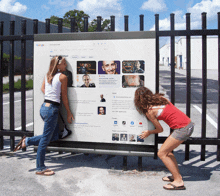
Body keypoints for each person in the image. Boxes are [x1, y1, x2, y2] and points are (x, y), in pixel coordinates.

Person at [14, 56, 74, 176]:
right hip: (52, 110)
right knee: (45, 140)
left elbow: (43, 88)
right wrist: (69, 112)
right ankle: (40, 168)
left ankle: (28, 140)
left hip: (44, 108)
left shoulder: (48, 75)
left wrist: (51, 94)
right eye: (64, 64)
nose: (66, 66)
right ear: (58, 65)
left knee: (54, 135)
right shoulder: (63, 77)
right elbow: (64, 97)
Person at [134, 87, 194, 190]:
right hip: (187, 124)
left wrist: (149, 132)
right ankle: (176, 176)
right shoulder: (161, 99)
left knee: (161, 153)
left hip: (182, 128)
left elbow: (159, 129)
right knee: (168, 152)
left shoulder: (150, 112)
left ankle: (178, 182)